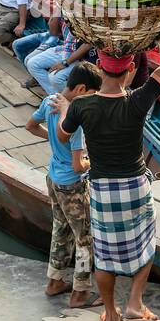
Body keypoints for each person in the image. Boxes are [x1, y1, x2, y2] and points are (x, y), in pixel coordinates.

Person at [58, 0, 160, 321]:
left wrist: (64, 109)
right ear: (131, 70)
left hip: (102, 189)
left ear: (98, 69)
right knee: (145, 243)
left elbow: (62, 137)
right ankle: (135, 302)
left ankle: (112, 316)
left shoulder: (82, 107)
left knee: (105, 256)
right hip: (135, 186)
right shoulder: (139, 101)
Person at [27, 62, 104, 307]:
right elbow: (78, 166)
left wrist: (51, 139)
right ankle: (80, 292)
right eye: (92, 94)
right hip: (72, 185)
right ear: (82, 89)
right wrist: (94, 160)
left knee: (60, 231)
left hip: (53, 178)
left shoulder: (49, 100)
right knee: (85, 239)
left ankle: (55, 281)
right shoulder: (76, 119)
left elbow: (30, 126)